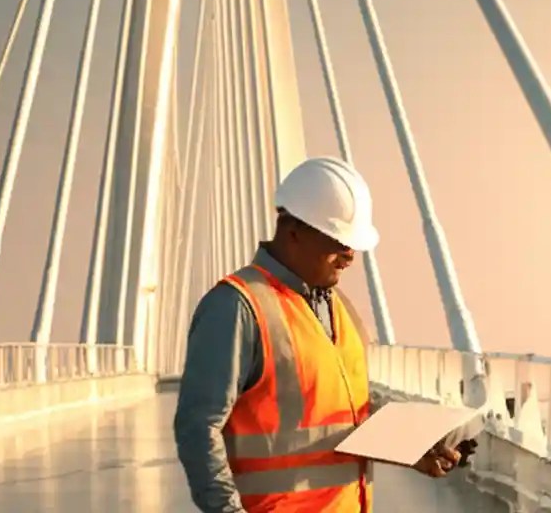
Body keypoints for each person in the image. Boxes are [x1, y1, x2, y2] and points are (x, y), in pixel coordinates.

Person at [174, 156, 471, 512]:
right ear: (293, 231)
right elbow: (198, 428)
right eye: (338, 240)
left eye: (353, 244)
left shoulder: (340, 309)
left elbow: (342, 417)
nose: (350, 255)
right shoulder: (237, 306)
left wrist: (414, 450)